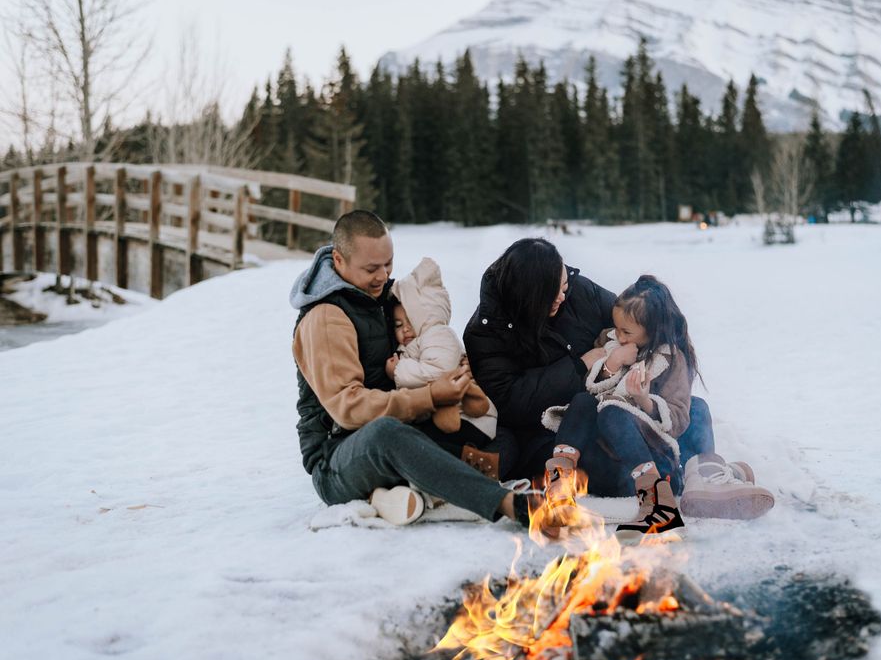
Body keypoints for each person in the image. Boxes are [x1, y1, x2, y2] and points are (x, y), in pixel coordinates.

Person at [463, 239, 763, 529]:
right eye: (553, 294)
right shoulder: (486, 334)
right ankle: (673, 480)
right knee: (609, 430)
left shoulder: (579, 292)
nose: (563, 297)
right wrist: (585, 365)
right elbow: (511, 401)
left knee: (692, 408)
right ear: (529, 296)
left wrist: (653, 369)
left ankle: (706, 474)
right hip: (557, 433)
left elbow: (637, 320)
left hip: (614, 407)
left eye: (565, 286)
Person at [290, 210, 535, 526]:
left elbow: (423, 338)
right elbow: (348, 409)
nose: (382, 275)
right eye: (371, 268)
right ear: (338, 261)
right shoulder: (326, 318)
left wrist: (451, 369)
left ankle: (410, 491)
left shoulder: (380, 296)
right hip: (339, 457)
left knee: (499, 434)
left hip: (405, 426)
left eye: (388, 264)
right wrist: (430, 396)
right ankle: (502, 502)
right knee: (387, 434)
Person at [540, 275, 774, 544]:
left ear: (653, 332)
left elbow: (677, 419)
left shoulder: (670, 361)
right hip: (606, 468)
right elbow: (591, 389)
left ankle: (664, 503)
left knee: (624, 411)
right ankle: (560, 490)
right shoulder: (610, 344)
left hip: (654, 466)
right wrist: (611, 364)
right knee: (582, 402)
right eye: (616, 328)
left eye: (627, 332)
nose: (618, 335)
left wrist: (644, 400)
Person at [386, 256, 499, 477]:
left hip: (470, 418)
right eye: (398, 325)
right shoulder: (414, 344)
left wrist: (398, 371)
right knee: (419, 440)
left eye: (411, 321)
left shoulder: (438, 334)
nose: (405, 330)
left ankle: (479, 469)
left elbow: (439, 372)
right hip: (449, 416)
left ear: (426, 315)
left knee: (427, 444)